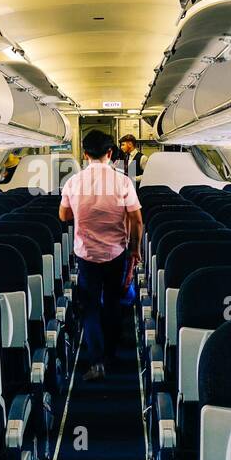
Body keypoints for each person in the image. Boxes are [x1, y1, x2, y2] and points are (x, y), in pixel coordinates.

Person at [59, 129, 143, 381]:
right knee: (114, 304)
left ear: (85, 154)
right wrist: (135, 250)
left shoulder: (73, 183)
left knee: (91, 308)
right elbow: (136, 220)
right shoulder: (123, 182)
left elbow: (64, 216)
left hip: (87, 256)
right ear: (110, 153)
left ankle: (96, 362)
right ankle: (111, 355)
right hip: (116, 253)